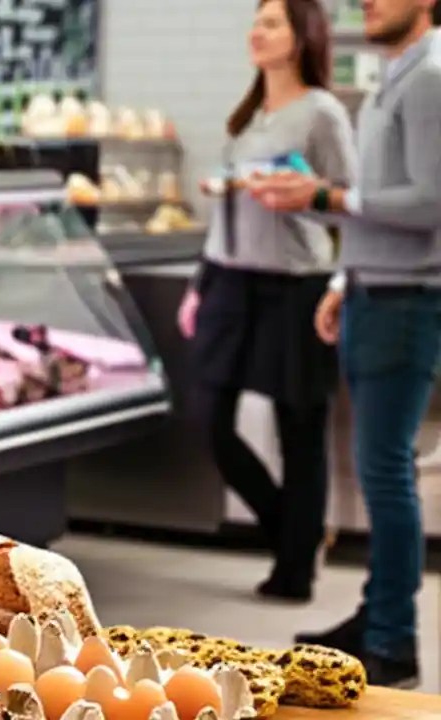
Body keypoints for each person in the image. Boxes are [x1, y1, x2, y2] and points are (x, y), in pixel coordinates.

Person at [250, 0, 441, 689]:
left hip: (405, 300)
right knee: (377, 469)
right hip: (375, 287)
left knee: (385, 472)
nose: (367, 1)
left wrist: (325, 198)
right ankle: (377, 617)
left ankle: (393, 643)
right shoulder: (400, 75)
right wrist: (345, 276)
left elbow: (430, 203)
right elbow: (385, 194)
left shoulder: (430, 78)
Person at [178, 0, 355, 604]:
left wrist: (342, 282)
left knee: (299, 430)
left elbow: (348, 202)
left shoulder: (322, 112)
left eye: (273, 22)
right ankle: (294, 533)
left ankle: (294, 568)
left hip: (295, 283)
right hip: (229, 280)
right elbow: (225, 208)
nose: (258, 31)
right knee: (208, 418)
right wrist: (200, 283)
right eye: (257, 21)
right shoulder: (247, 116)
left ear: (302, 35)